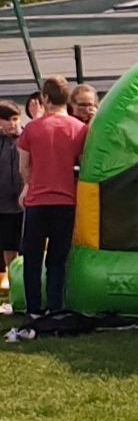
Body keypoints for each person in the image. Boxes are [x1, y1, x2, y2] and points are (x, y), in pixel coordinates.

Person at [15, 77, 87, 318]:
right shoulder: (79, 129)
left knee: (32, 259)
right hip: (65, 201)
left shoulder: (33, 129)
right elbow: (82, 163)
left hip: (38, 201)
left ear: (44, 98)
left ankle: (34, 308)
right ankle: (56, 306)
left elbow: (23, 167)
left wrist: (29, 184)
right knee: (57, 260)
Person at [0, 102, 23, 312]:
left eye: (15, 119)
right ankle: (14, 287)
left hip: (26, 203)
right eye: (8, 120)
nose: (12, 124)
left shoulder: (26, 137)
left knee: (27, 245)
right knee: (8, 245)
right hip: (4, 204)